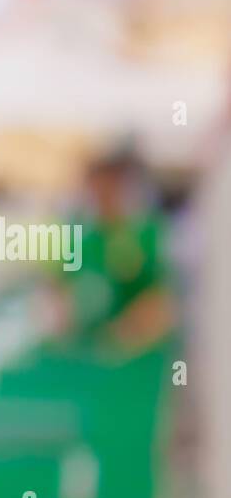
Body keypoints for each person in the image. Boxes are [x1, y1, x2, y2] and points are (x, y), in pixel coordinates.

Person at [65, 150, 176, 354]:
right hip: (88, 353)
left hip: (134, 356)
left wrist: (128, 333)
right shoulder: (81, 239)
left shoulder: (145, 234)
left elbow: (160, 302)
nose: (100, 195)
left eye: (108, 187)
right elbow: (65, 294)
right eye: (94, 187)